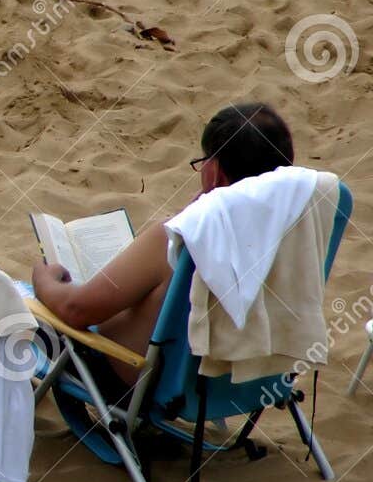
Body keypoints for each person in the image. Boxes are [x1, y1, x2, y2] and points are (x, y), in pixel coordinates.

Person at [31, 102, 295, 388]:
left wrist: (42, 278)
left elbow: (75, 311)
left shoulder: (181, 239)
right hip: (235, 389)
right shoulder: (294, 239)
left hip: (127, 378)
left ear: (215, 173)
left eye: (203, 161)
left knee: (15, 303)